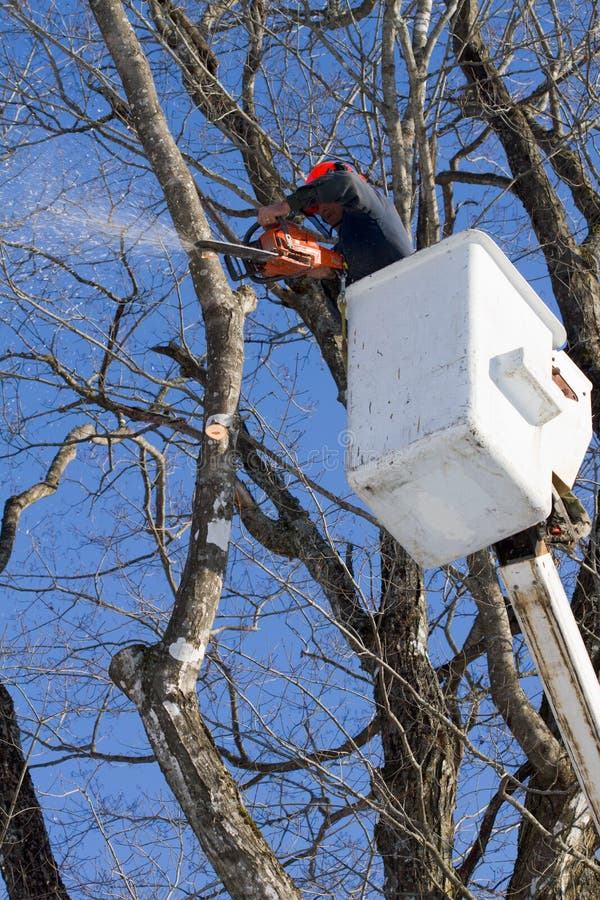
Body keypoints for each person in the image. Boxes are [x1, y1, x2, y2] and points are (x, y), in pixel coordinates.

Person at [257, 161, 413, 285]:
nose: (322, 210)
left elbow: (348, 183)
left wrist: (287, 205)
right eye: (315, 208)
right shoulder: (341, 251)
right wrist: (322, 271)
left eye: (324, 201)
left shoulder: (372, 209)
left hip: (410, 289)